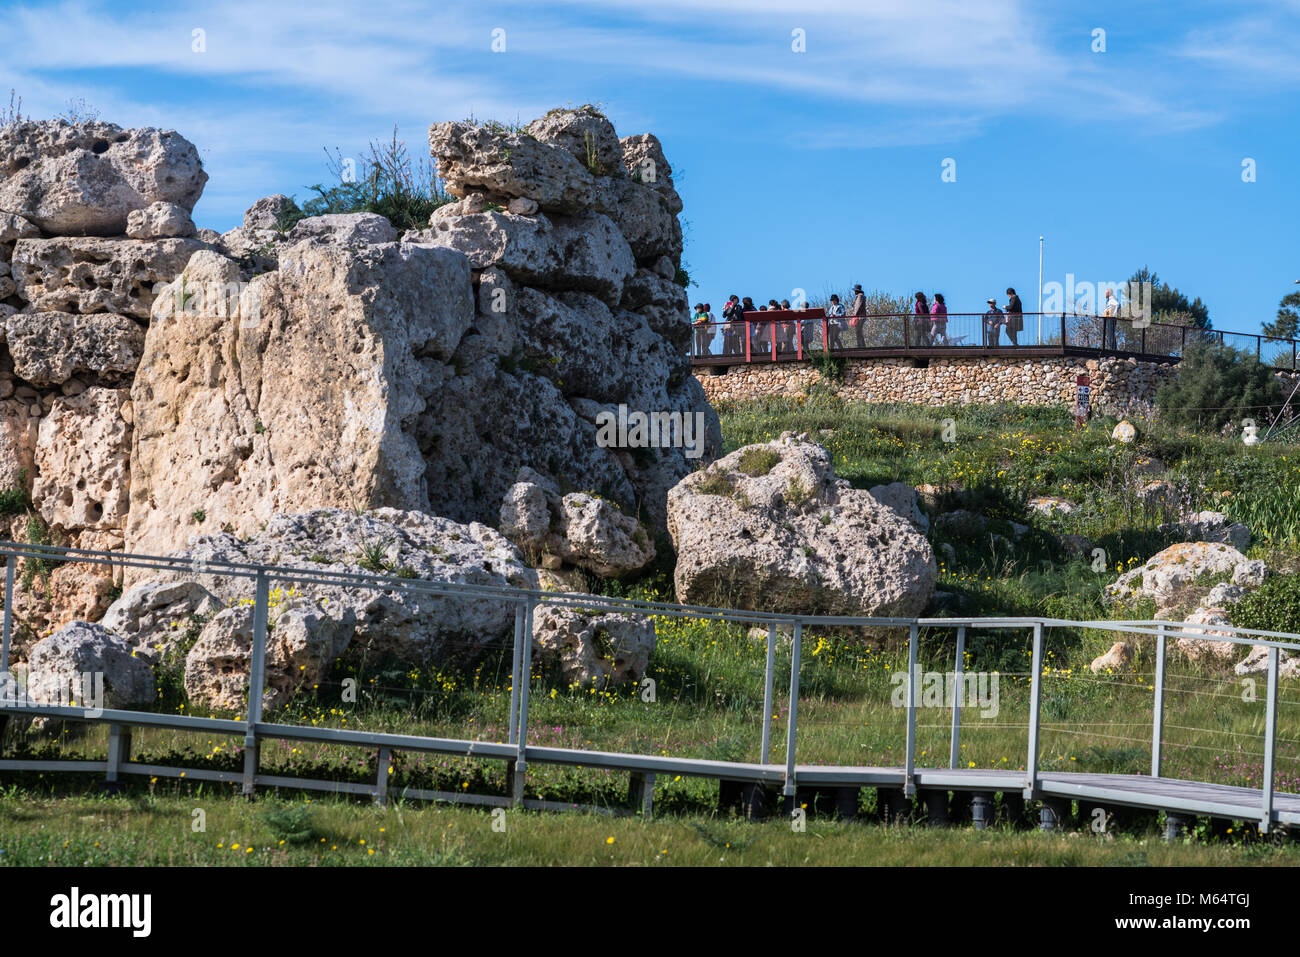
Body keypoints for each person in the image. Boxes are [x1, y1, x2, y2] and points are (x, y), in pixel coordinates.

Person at [848, 283, 867, 348]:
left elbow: (858, 306)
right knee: (859, 331)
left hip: (860, 317)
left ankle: (860, 346)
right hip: (861, 316)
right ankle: (862, 346)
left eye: (854, 290)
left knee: (858, 331)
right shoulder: (861, 296)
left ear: (856, 291)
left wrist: (854, 315)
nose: (854, 292)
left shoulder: (860, 296)